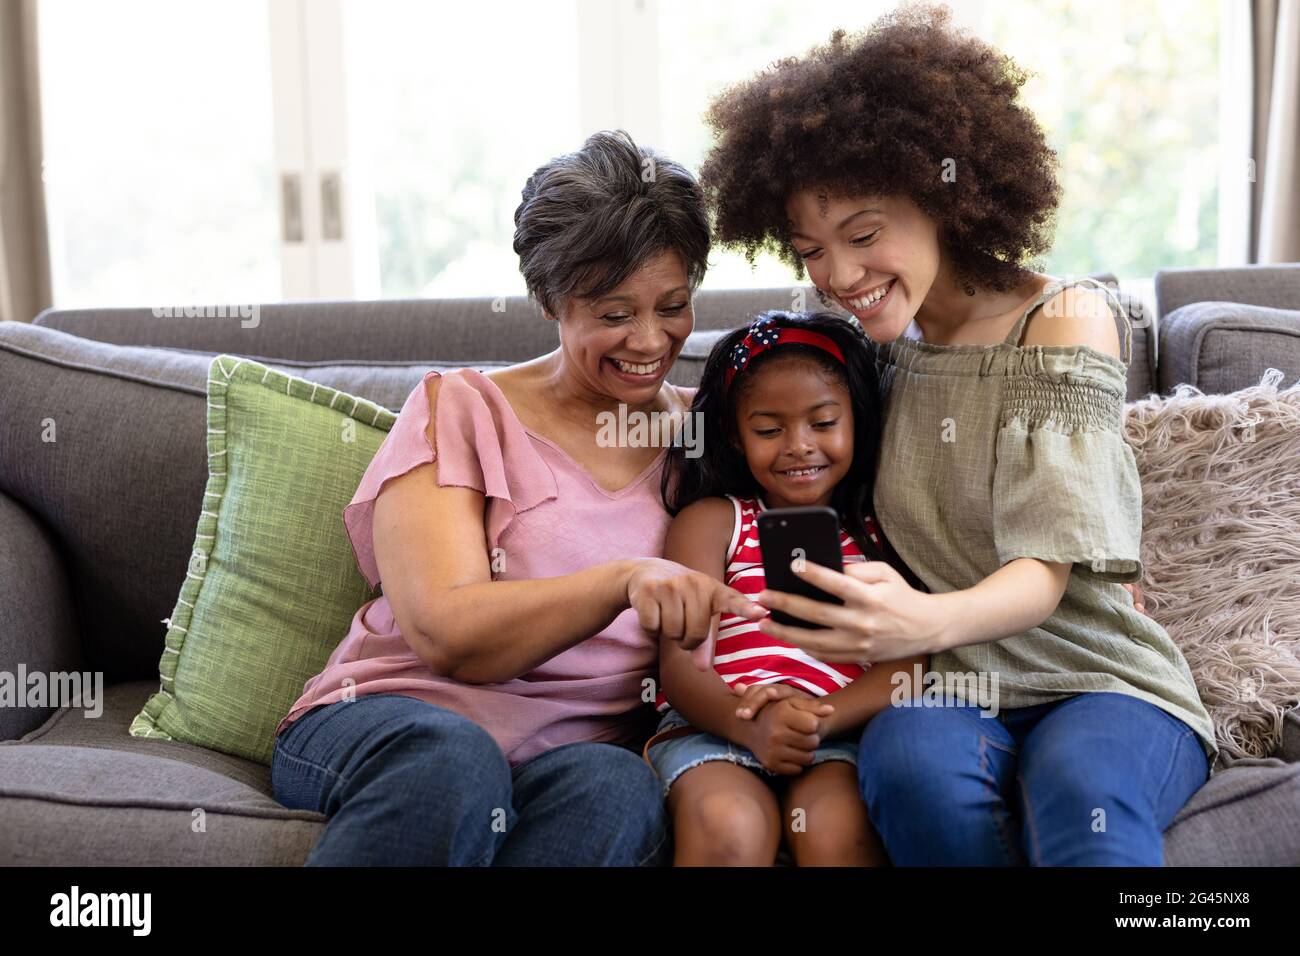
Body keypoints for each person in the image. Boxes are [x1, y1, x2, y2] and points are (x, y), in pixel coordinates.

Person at [697, 4, 1216, 865]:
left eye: (862, 235)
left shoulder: (1066, 318)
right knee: (910, 774)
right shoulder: (873, 353)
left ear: (945, 192)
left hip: (1093, 676)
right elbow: (760, 402)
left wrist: (922, 622)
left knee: (1081, 792)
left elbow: (1045, 571)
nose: (840, 276)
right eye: (811, 250)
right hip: (950, 687)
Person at [270, 130, 763, 866]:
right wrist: (623, 580)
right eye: (615, 312)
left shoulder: (710, 435)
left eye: (673, 305)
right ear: (547, 300)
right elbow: (447, 634)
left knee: (617, 786)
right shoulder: (460, 410)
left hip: (573, 753)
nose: (651, 338)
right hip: (398, 721)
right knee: (455, 760)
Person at [647, 310, 926, 866]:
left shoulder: (880, 532)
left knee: (834, 830)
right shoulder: (714, 522)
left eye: (823, 423)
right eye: (769, 430)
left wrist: (817, 717)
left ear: (857, 421)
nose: (798, 446)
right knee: (732, 826)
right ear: (735, 433)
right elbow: (679, 669)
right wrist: (748, 728)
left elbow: (911, 668)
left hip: (838, 733)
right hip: (713, 729)